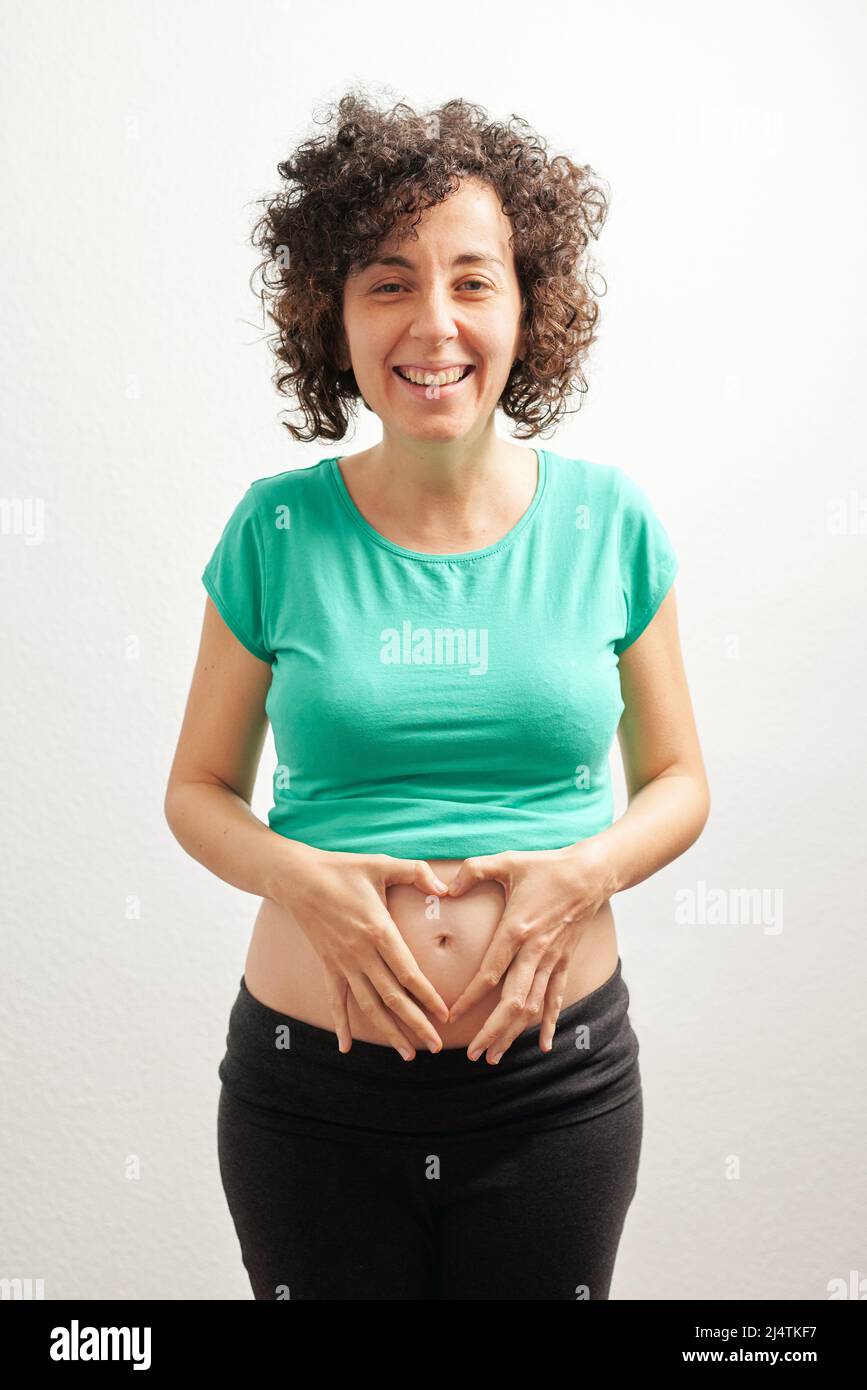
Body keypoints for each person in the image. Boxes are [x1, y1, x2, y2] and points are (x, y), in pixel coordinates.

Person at [164, 89, 710, 1300]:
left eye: (473, 279)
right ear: (337, 316)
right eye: (389, 281)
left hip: (552, 1091)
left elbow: (679, 782)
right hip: (311, 1093)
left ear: (527, 306)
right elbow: (197, 791)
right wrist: (302, 879)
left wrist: (588, 870)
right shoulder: (277, 528)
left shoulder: (609, 522)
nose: (435, 322)